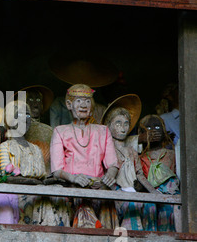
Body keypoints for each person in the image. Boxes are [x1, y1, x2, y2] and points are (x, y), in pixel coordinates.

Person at [50, 84, 119, 229]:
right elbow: (56, 170)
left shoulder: (103, 131)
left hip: (99, 189)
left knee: (109, 206)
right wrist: (74, 178)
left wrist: (109, 176)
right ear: (69, 104)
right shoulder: (60, 131)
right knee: (83, 210)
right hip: (72, 189)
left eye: (87, 101)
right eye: (79, 101)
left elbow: (112, 164)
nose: (83, 105)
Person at [102, 95, 157, 230]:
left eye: (126, 123)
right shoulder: (106, 149)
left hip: (132, 190)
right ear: (108, 126)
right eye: (118, 123)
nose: (123, 128)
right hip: (116, 191)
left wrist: (153, 192)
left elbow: (139, 174)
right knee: (131, 205)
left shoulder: (131, 151)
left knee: (151, 205)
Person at [138, 114, 180, 232]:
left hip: (170, 201)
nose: (153, 132)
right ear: (142, 133)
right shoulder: (139, 157)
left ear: (164, 132)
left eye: (157, 128)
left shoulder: (172, 154)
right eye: (148, 129)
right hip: (149, 200)